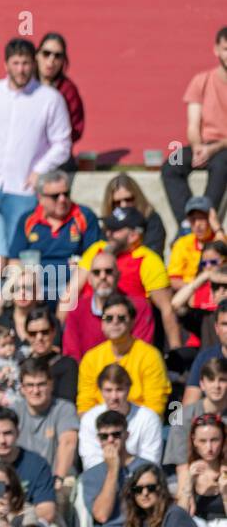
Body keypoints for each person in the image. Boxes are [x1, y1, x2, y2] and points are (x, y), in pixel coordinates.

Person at [0, 38, 71, 233]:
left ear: (34, 64)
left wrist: (39, 171)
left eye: (26, 63)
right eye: (16, 63)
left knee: (15, 252)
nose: (21, 69)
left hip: (23, 190)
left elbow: (62, 144)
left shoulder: (50, 99)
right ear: (5, 65)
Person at [77, 208, 180, 349]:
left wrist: (176, 350)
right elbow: (71, 291)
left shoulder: (148, 260)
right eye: (108, 229)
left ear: (133, 235)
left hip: (127, 336)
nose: (108, 234)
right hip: (88, 330)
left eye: (115, 230)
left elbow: (167, 309)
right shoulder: (97, 250)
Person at [52, 410, 143, 527]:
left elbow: (151, 516)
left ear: (126, 435)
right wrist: (113, 470)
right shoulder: (91, 474)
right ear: (98, 440)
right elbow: (101, 515)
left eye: (116, 435)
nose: (110, 440)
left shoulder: (146, 468)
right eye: (104, 436)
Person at [161, 27, 227, 225]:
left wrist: (214, 148)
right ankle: (187, 224)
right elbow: (193, 125)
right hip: (204, 145)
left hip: (223, 149)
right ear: (216, 50)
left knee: (222, 165)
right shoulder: (202, 81)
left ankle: (206, 220)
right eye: (226, 49)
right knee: (171, 165)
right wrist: (198, 147)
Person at [7, 170, 101, 305]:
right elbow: (14, 261)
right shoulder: (28, 219)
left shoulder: (85, 216)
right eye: (55, 196)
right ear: (40, 198)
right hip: (36, 286)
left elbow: (93, 258)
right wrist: (29, 287)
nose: (62, 199)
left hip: (73, 284)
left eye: (66, 194)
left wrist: (70, 291)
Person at [76, 295, 170, 417]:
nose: (115, 322)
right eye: (109, 318)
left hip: (140, 425)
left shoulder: (150, 356)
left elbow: (155, 406)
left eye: (121, 318)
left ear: (132, 322)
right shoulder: (91, 358)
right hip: (101, 427)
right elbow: (85, 405)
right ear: (102, 323)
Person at [77, 364, 162, 470]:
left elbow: (151, 463)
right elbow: (91, 463)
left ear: (128, 389)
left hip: (139, 481)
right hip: (101, 480)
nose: (114, 397)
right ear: (100, 390)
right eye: (108, 390)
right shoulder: (89, 419)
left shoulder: (148, 418)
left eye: (119, 390)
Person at [14, 356, 80, 493]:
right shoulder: (14, 411)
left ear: (51, 384)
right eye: (30, 385)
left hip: (57, 480)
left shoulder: (64, 408)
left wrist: (58, 479)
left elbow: (68, 443)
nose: (36, 391)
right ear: (22, 388)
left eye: (41, 384)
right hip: (22, 482)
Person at [175, 412, 227, 527]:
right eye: (203, 441)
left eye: (215, 440)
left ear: (223, 440)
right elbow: (181, 517)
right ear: (194, 441)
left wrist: (225, 494)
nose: (209, 448)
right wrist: (189, 482)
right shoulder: (186, 469)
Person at [36, 33, 84, 156]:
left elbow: (77, 127)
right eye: (46, 53)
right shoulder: (25, 86)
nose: (51, 60)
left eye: (57, 56)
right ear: (37, 55)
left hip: (56, 155)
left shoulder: (68, 90)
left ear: (63, 61)